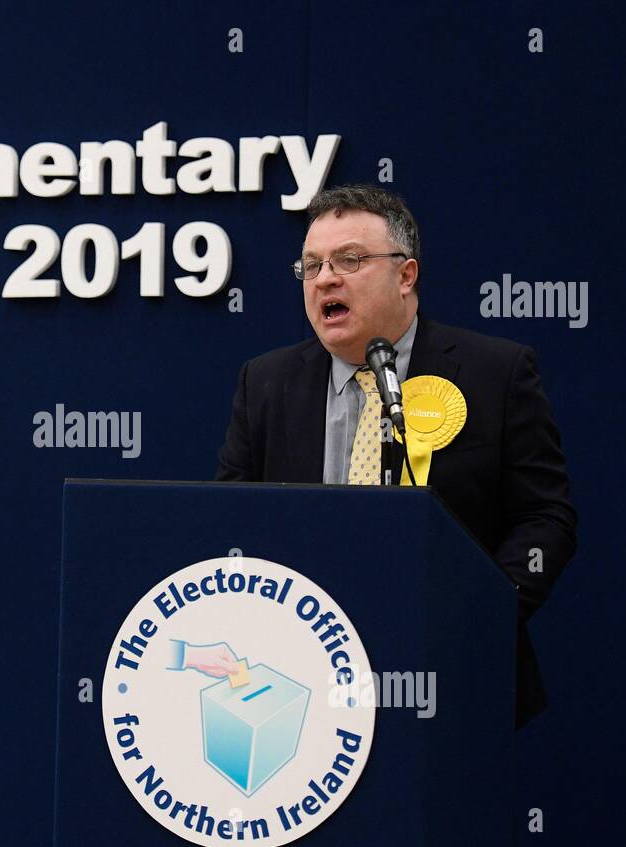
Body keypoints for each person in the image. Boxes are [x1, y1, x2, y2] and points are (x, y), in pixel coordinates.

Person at [214, 183, 576, 729]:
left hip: (449, 673)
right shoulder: (264, 382)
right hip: (298, 674)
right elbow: (230, 521)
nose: (326, 279)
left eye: (349, 259)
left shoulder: (493, 373)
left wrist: (480, 613)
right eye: (311, 267)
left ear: (406, 275)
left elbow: (544, 518)